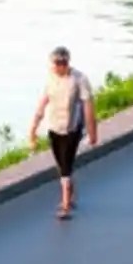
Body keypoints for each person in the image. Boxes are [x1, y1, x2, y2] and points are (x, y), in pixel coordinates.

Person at [29, 46, 98, 219]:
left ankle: (65, 204)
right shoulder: (51, 80)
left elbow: (88, 107)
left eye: (63, 62)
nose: (60, 66)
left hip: (72, 129)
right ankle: (69, 188)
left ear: (68, 62)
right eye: (56, 63)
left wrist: (92, 132)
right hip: (54, 128)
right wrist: (33, 129)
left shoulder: (79, 79)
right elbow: (42, 104)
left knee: (66, 165)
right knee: (62, 165)